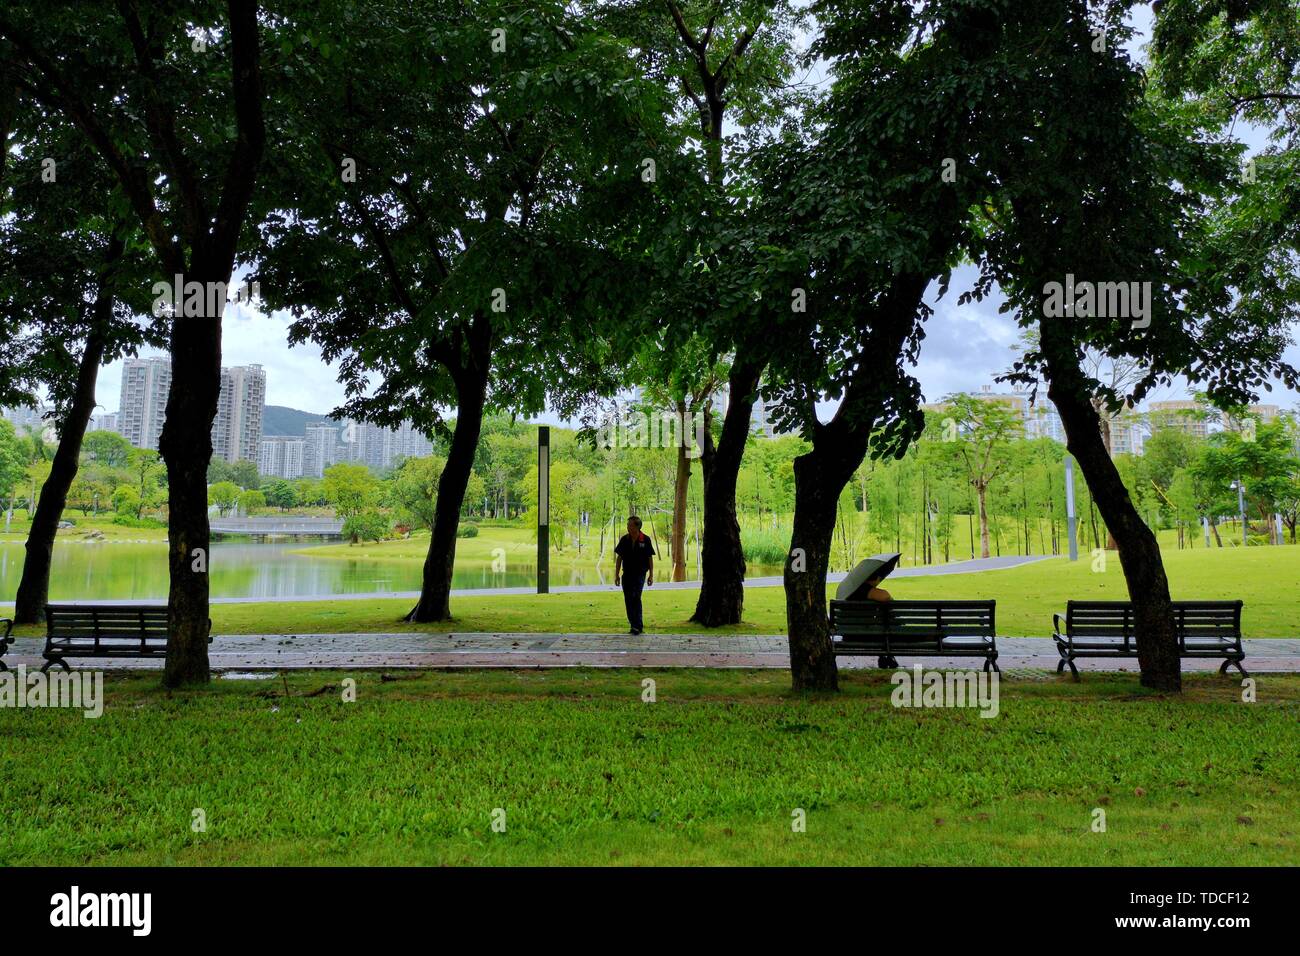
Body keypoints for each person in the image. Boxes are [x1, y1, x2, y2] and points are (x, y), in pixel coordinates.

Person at [614, 515, 655, 635]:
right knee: (628, 599)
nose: (627, 527)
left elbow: (650, 558)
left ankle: (638, 625)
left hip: (640, 574)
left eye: (630, 525)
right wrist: (616, 575)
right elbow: (619, 558)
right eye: (627, 525)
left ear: (637, 526)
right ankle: (633, 624)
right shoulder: (624, 539)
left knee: (636, 597)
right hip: (627, 574)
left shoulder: (645, 539)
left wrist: (651, 575)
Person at [864, 573, 898, 669]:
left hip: (849, 634)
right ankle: (887, 657)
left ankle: (884, 657)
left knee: (882, 628)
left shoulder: (851, 591)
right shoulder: (864, 590)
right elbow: (885, 596)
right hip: (865, 634)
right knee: (886, 630)